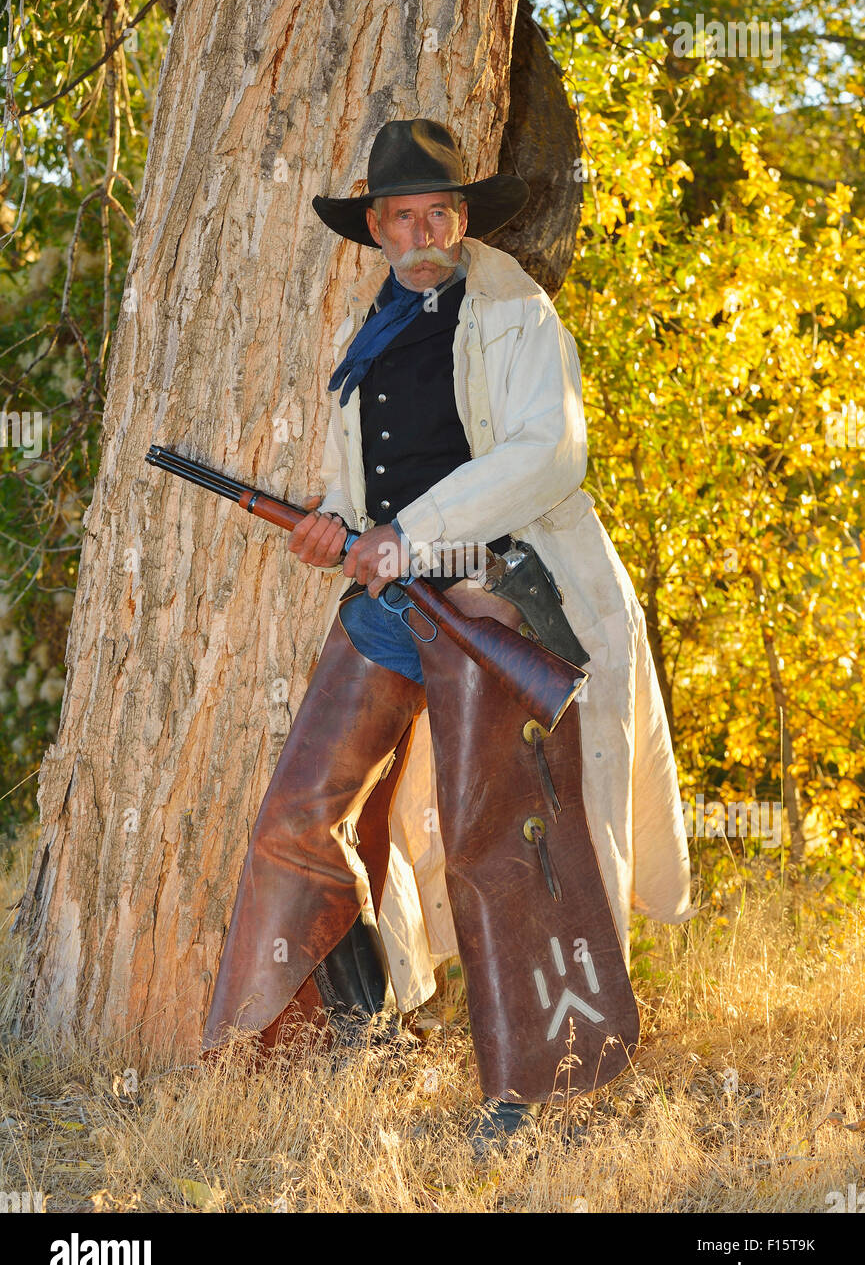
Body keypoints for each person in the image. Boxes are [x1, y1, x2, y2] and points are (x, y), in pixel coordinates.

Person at [203, 119, 692, 1151]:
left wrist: (407, 535)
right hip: (395, 600)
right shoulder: (377, 325)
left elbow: (547, 453)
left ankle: (535, 1084)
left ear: (462, 219)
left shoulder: (511, 305)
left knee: (496, 836)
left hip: (495, 590)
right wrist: (329, 522)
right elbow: (372, 475)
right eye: (402, 215)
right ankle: (345, 1037)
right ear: (376, 228)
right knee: (299, 810)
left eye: (440, 212)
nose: (423, 231)